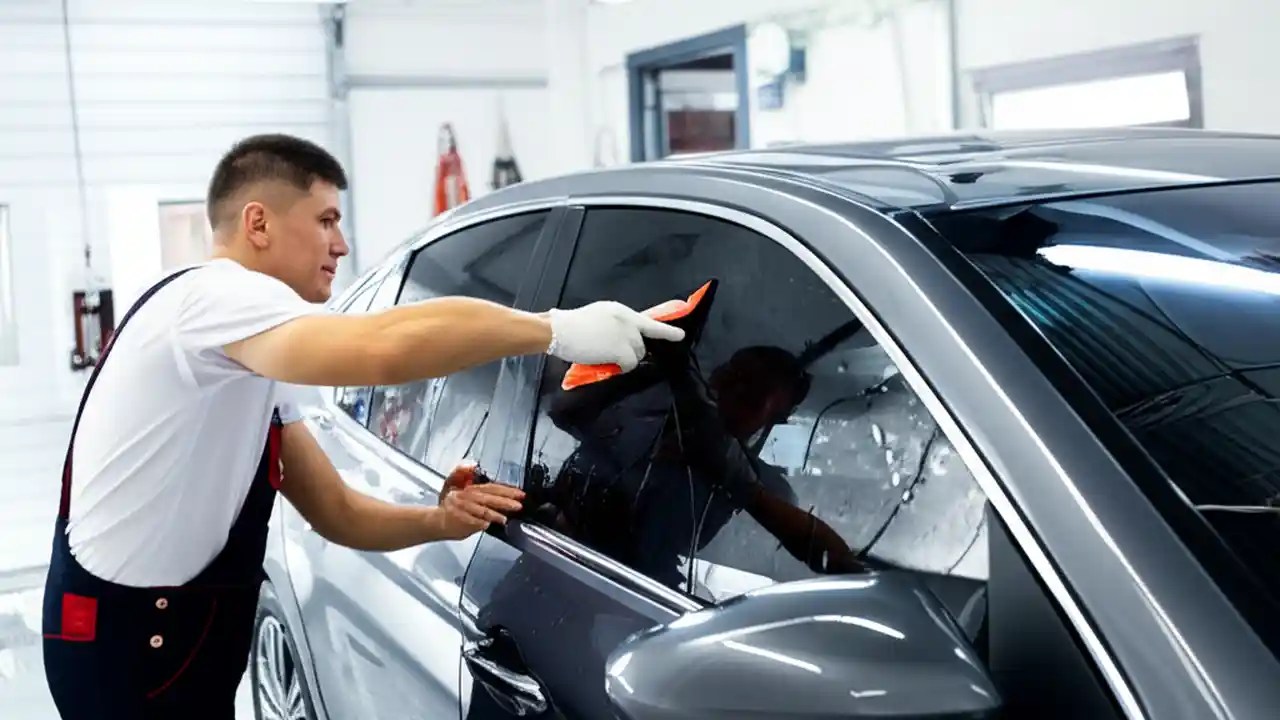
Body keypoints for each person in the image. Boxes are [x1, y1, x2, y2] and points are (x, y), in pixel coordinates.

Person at [40, 133, 684, 719]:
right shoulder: (214, 297)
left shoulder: (251, 352)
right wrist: (555, 329)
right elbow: (379, 349)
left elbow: (336, 511)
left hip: (169, 640)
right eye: (325, 220)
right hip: (130, 653)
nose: (341, 245)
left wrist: (440, 520)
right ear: (257, 223)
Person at [534, 340, 863, 595]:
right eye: (730, 373)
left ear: (776, 418)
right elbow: (557, 403)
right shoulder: (642, 411)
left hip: (636, 593)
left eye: (751, 394)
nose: (730, 390)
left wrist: (733, 474)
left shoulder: (759, 482)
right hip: (548, 555)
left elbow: (831, 558)